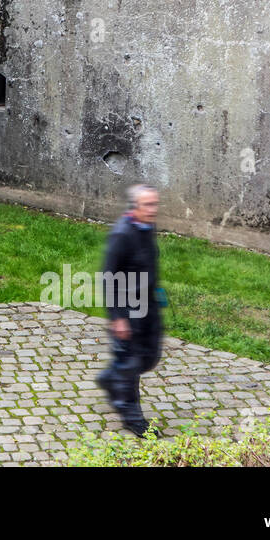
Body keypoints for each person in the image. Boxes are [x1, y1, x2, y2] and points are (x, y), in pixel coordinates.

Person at [95, 184, 164, 437]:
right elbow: (107, 277)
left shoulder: (147, 227)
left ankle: (111, 377)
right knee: (132, 362)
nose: (153, 210)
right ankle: (133, 418)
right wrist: (118, 317)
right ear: (135, 207)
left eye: (155, 204)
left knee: (150, 356)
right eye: (148, 205)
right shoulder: (122, 234)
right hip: (128, 307)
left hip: (149, 304)